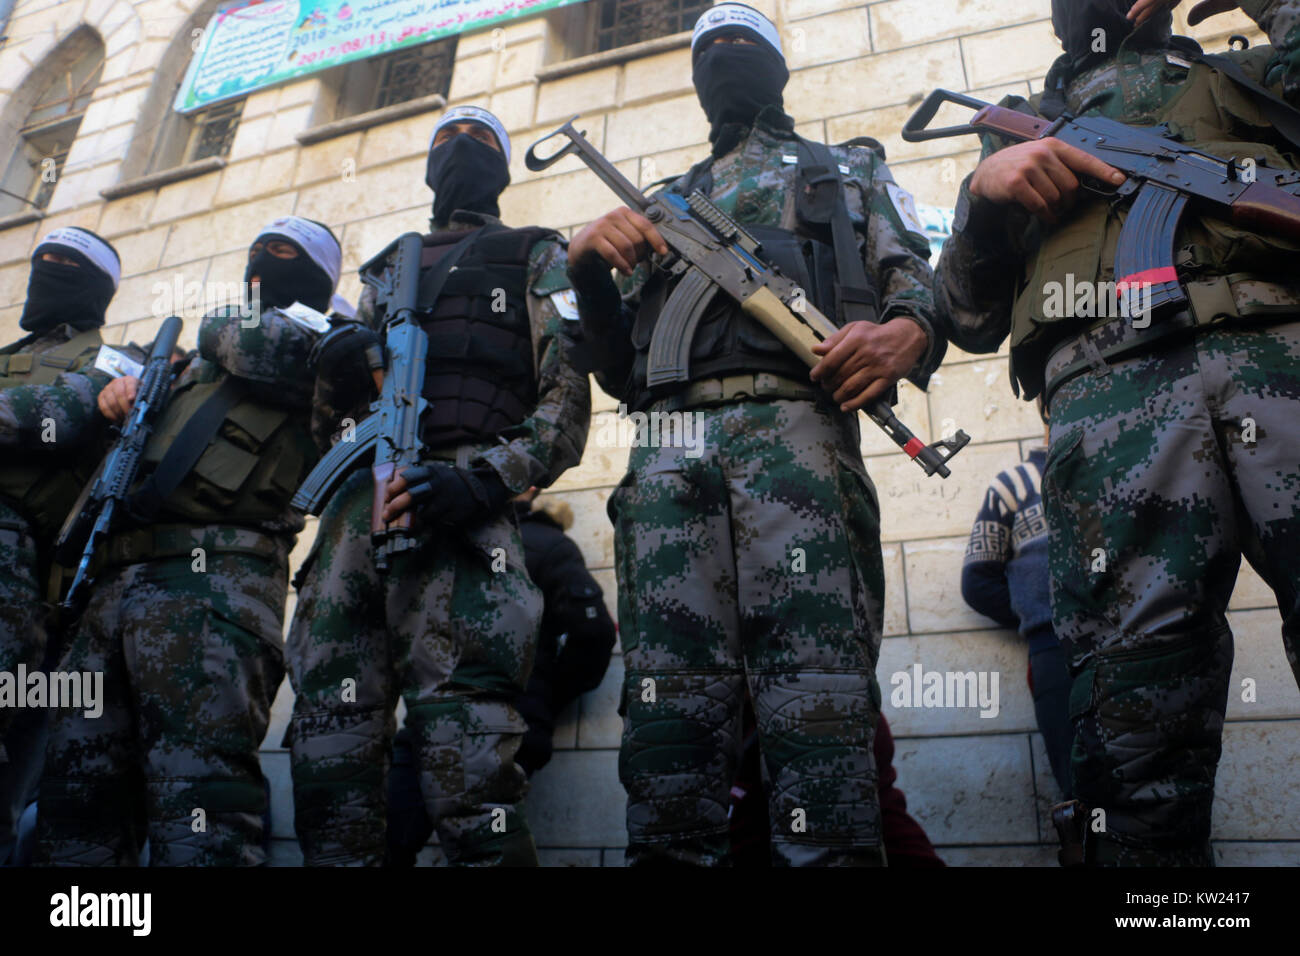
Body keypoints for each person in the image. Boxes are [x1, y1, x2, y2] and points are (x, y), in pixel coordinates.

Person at [567, 3, 944, 866]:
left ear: (779, 67)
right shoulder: (662, 203)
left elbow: (914, 279)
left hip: (799, 438)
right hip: (668, 450)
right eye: (710, 48)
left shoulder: (846, 170)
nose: (726, 57)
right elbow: (618, 366)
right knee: (668, 719)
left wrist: (906, 334)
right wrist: (587, 264)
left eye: (745, 44)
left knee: (820, 710)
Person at [933, 0, 1300, 865]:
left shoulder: (1245, 74)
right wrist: (987, 203)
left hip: (1283, 352)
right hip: (1110, 404)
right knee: (1134, 726)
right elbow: (967, 313)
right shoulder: (1014, 131)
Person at [286, 105, 591, 867]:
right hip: (356, 516)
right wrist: (337, 377)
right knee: (329, 769)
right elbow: (329, 434)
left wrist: (486, 481)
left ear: (506, 167)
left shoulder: (534, 252)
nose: (464, 149)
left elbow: (565, 405)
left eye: (485, 140)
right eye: (449, 140)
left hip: (466, 520)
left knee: (472, 778)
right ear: (428, 165)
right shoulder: (387, 269)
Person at [39, 215, 339, 866]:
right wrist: (119, 392)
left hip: (214, 587)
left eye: (285, 252)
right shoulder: (182, 361)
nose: (264, 258)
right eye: (257, 247)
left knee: (201, 811)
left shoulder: (326, 341)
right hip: (110, 586)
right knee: (73, 813)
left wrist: (193, 341)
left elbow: (249, 342)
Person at [385, 489, 616, 865]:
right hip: (469, 724)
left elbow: (592, 634)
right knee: (487, 847)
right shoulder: (468, 540)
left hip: (463, 724)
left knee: (394, 839)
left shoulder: (538, 543)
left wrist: (539, 695)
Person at [0, 227, 121, 864]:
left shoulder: (113, 361)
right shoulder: (6, 356)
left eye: (67, 265)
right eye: (42, 260)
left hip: (24, 572)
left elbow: (57, 415)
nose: (49, 269)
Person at [961, 417, 1073, 799]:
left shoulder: (1129, 467)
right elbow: (978, 582)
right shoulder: (1014, 485)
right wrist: (1038, 609)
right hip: (1054, 651)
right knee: (1077, 780)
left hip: (1135, 645)